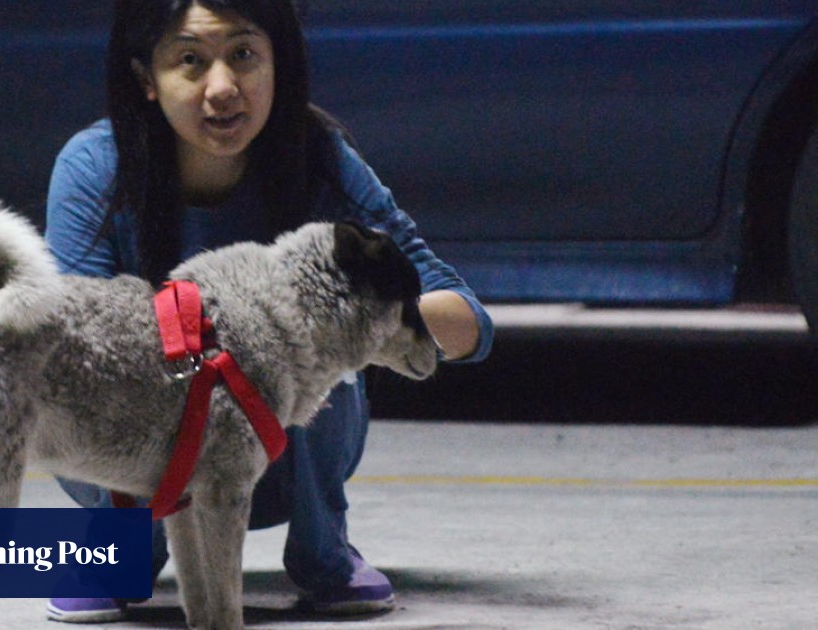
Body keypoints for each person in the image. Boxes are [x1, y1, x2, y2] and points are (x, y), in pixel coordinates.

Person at [43, 0, 494, 623]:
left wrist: (373, 319)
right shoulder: (95, 166)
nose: (223, 87)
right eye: (190, 61)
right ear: (147, 79)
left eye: (245, 55)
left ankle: (323, 555)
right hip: (130, 445)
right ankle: (117, 552)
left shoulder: (322, 158)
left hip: (274, 461)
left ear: (279, 64)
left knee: (316, 351)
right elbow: (69, 348)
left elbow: (467, 318)